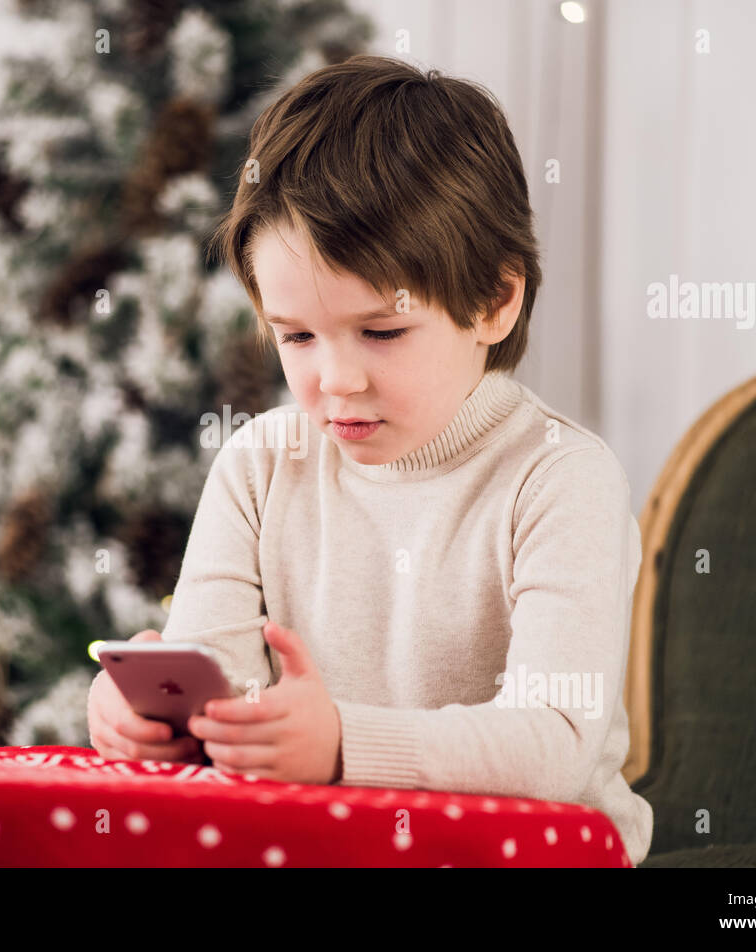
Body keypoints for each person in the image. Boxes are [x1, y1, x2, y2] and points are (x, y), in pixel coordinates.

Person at [87, 54, 653, 866]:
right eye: (296, 336)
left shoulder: (560, 477)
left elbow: (553, 742)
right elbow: (220, 699)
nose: (336, 379)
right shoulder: (260, 468)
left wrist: (345, 743)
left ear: (495, 300)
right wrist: (138, 717)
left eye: (381, 332)